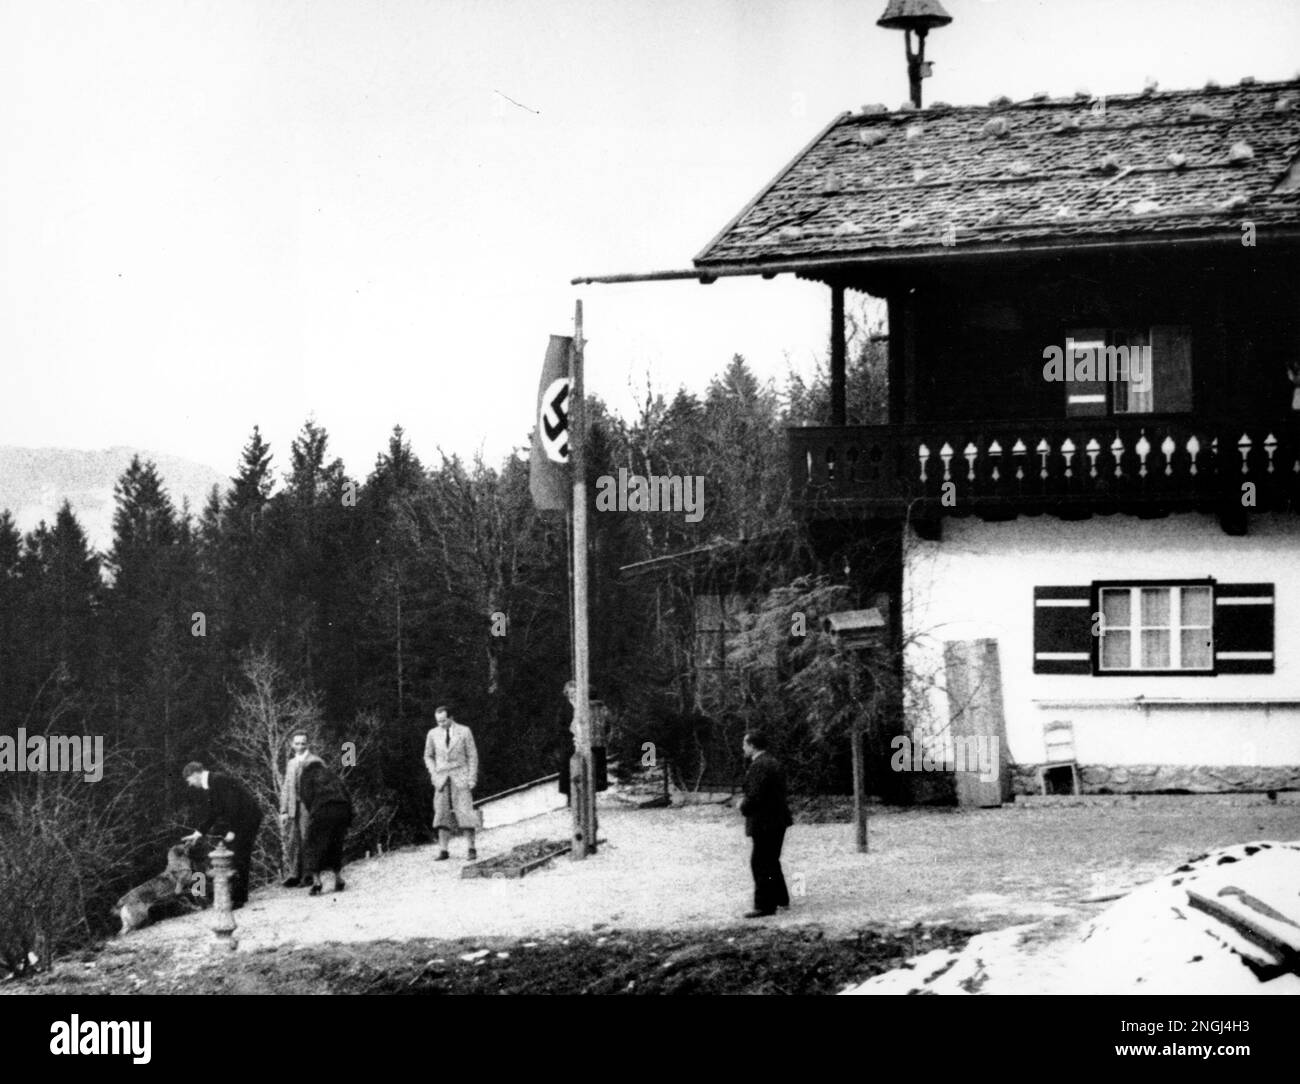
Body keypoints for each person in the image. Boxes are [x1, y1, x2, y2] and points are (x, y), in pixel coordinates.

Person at [182, 761, 263, 909]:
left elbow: (233, 805)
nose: (190, 784)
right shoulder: (211, 784)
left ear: (195, 774)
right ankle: (239, 897)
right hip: (242, 819)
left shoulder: (218, 780)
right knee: (237, 855)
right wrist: (198, 833)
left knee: (239, 855)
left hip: (247, 818)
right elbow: (214, 812)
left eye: (190, 780)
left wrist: (233, 830)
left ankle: (238, 899)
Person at [738, 730, 792, 919]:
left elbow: (755, 795)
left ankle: (764, 905)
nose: (742, 748)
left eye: (744, 744)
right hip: (777, 819)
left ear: (752, 745)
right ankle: (781, 898)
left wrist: (742, 805)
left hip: (764, 820)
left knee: (760, 862)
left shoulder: (759, 766)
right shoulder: (773, 762)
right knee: (771, 860)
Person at [422, 706, 479, 861]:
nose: (441, 724)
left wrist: (472, 777)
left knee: (465, 812)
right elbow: (428, 756)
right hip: (441, 779)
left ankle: (471, 848)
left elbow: (472, 756)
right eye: (438, 721)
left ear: (451, 717)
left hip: (460, 777)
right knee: (441, 814)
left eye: (444, 720)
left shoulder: (464, 731)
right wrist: (433, 773)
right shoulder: (432, 734)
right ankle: (443, 850)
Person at [299, 757, 353, 895]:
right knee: (336, 844)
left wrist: (313, 813)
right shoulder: (330, 773)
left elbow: (307, 797)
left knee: (313, 845)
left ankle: (317, 882)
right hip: (342, 809)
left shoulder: (306, 775)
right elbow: (345, 793)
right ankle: (338, 879)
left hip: (323, 810)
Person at [279, 731, 322, 887]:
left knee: (306, 839)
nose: (299, 746)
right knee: (292, 840)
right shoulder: (291, 763)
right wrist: (283, 810)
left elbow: (321, 786)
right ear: (292, 745)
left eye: (303, 743)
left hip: (307, 806)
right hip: (292, 806)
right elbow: (285, 787)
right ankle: (294, 874)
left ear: (307, 744)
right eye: (296, 743)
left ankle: (308, 875)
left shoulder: (315, 761)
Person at [556, 680, 607, 801]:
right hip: (570, 743)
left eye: (576, 692)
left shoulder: (584, 707)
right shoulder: (564, 708)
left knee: (585, 769)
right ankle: (573, 797)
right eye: (571, 692)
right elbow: (560, 726)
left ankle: (584, 797)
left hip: (583, 741)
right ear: (567, 693)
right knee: (571, 770)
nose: (573, 695)